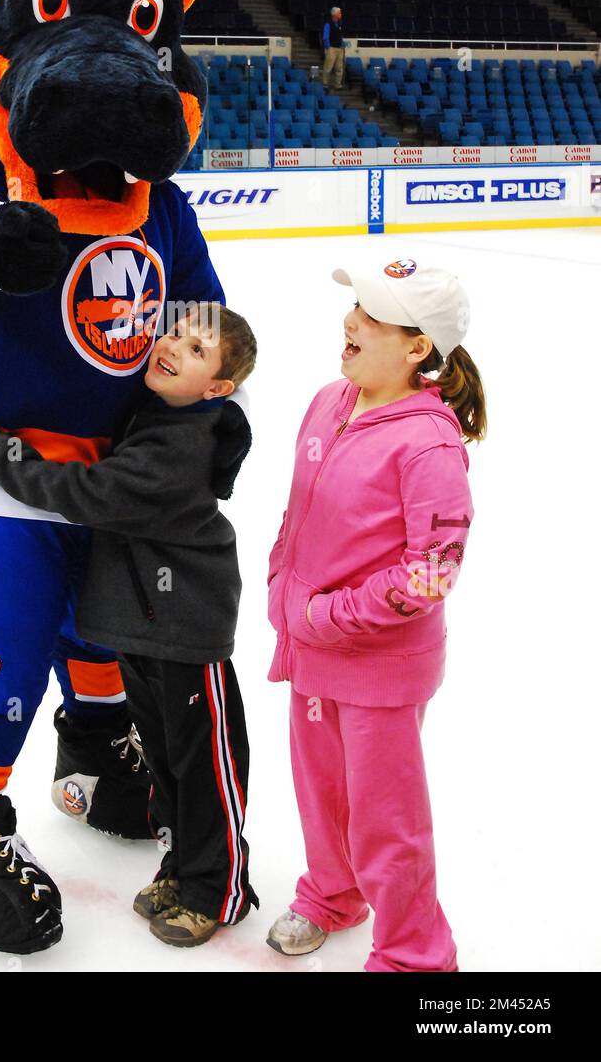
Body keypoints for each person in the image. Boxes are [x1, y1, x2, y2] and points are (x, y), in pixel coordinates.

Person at [0, 303, 260, 948]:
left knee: (204, 764)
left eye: (198, 350)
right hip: (147, 628)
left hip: (185, 629)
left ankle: (219, 889)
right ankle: (181, 871)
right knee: (166, 761)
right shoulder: (159, 412)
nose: (173, 346)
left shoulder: (181, 441)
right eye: (176, 332)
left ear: (217, 389)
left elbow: (90, 491)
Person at [266, 256, 486, 971]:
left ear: (418, 346)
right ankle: (333, 895)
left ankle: (415, 956)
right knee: (321, 794)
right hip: (310, 650)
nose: (349, 323)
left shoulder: (428, 442)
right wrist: (282, 586)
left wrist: (328, 616)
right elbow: (300, 512)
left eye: (369, 316)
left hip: (378, 668)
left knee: (389, 823)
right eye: (353, 308)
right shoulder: (331, 397)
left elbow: (431, 573)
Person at [321, 6, 345, 91]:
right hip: (331, 49)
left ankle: (338, 84)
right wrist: (328, 47)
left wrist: (342, 44)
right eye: (339, 13)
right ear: (334, 14)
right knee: (328, 67)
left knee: (339, 68)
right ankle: (325, 84)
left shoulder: (340, 23)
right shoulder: (328, 24)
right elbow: (325, 37)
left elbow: (340, 36)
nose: (341, 14)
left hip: (339, 49)